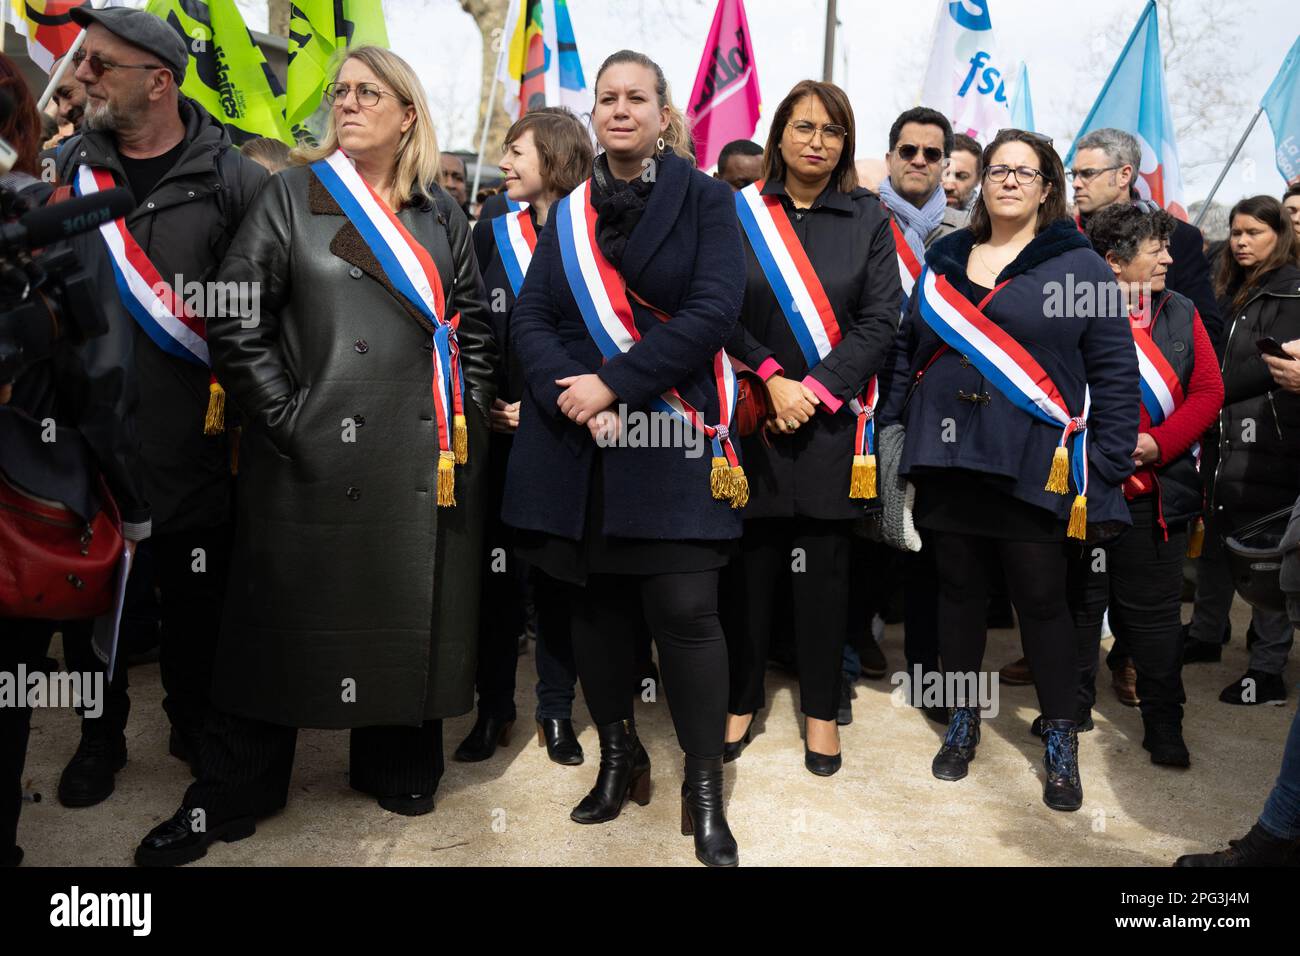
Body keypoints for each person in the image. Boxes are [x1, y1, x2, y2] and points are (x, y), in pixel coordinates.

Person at [133, 45, 497, 866]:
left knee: (406, 615)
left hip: (420, 456)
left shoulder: (441, 214)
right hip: (310, 453)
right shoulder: (289, 197)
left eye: (370, 92)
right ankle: (235, 789)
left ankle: (395, 760)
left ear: (408, 114)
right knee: (277, 624)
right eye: (341, 91)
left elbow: (472, 326)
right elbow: (236, 317)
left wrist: (463, 408)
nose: (349, 103)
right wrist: (285, 417)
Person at [501, 49, 746, 867]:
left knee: (685, 614)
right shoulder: (568, 209)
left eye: (636, 97)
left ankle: (702, 790)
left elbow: (713, 313)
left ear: (664, 114)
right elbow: (531, 316)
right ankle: (619, 760)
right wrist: (566, 393)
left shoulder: (709, 201)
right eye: (606, 98)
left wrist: (612, 384)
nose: (619, 109)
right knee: (595, 615)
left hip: (669, 434)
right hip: (575, 443)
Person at [878, 129, 1139, 812]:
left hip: (1034, 466)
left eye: (1027, 171)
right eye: (999, 169)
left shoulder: (1079, 267)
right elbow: (907, 351)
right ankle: (963, 723)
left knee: (1043, 603)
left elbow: (1114, 374)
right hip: (949, 459)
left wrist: (1106, 464)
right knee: (957, 597)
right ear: (983, 181)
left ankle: (1060, 739)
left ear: (1048, 186)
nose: (1010, 181)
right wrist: (895, 430)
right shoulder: (945, 256)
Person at [50, 5, 267, 809]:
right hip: (83, 435)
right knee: (90, 603)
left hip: (199, 438)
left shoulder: (235, 177)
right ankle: (97, 737)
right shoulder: (69, 166)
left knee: (195, 596)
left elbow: (263, 307)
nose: (82, 77)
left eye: (100, 65)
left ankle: (194, 720)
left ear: (159, 80)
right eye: (84, 62)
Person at [1002, 125, 1226, 697]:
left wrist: (1158, 441)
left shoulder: (1179, 263)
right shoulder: (1056, 245)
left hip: (1156, 464)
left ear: (1123, 175)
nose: (1074, 183)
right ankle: (1058, 679)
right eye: (1072, 174)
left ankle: (1135, 670)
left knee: (1146, 594)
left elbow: (1201, 369)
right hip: (1080, 460)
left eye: (1084, 173)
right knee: (1072, 589)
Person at [721, 79, 900, 775]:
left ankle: (821, 713)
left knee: (824, 579)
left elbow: (881, 320)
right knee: (749, 573)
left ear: (845, 142)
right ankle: (741, 700)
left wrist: (817, 390)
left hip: (830, 428)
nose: (816, 142)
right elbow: (716, 308)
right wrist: (772, 376)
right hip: (754, 422)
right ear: (779, 135)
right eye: (803, 127)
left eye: (830, 131)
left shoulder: (868, 218)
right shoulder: (737, 213)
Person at [0, 51, 151, 868]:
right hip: (30, 503)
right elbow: (104, 384)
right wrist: (131, 503)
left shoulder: (48, 226)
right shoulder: (50, 209)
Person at [1067, 203, 1223, 766]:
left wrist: (1159, 443)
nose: (1168, 257)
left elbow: (1209, 391)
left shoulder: (1181, 310)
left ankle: (1164, 721)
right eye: (1155, 248)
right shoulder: (1072, 309)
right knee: (1080, 607)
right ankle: (1070, 709)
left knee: (1155, 620)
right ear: (1112, 262)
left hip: (1157, 496)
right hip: (1086, 488)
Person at [459, 107, 592, 766]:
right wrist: (479, 403)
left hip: (567, 438)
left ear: (557, 158)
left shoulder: (595, 237)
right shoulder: (489, 232)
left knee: (559, 583)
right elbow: (466, 333)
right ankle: (493, 710)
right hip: (499, 441)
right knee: (497, 584)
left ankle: (556, 711)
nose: (504, 164)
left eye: (517, 152)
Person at [1183, 196, 1300, 705]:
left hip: (1271, 440)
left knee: (1265, 553)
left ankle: (1267, 670)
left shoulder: (1294, 291)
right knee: (1214, 538)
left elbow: (1272, 363)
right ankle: (1207, 634)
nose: (1242, 241)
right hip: (1220, 434)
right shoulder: (1222, 282)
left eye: (1255, 231)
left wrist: (1209, 389)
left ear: (1280, 235)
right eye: (1236, 231)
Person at [876, 107, 969, 717]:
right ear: (890, 157)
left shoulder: (971, 234)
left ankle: (926, 672)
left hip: (939, 407)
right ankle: (850, 652)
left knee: (929, 544)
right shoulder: (859, 218)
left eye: (931, 154)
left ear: (946, 165)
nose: (918, 161)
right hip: (858, 393)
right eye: (907, 150)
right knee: (861, 531)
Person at [943, 133, 981, 211]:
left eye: (961, 177)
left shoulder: (992, 220)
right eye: (942, 174)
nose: (948, 186)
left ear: (978, 179)